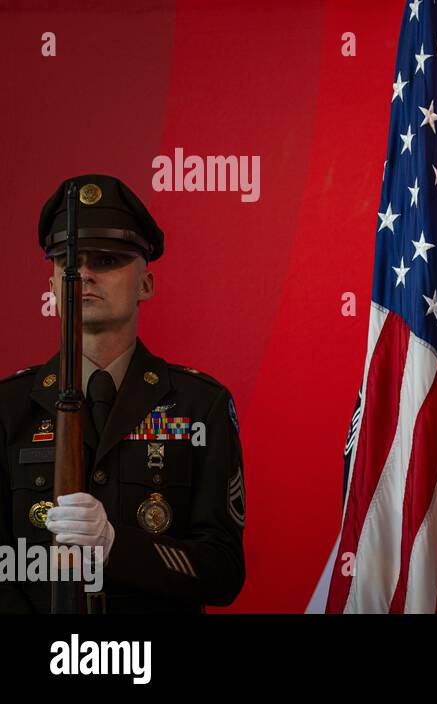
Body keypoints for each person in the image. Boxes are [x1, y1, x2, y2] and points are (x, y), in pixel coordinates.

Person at [0, 174, 245, 613]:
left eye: (108, 260)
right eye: (68, 263)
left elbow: (223, 571)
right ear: (54, 285)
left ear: (146, 285)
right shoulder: (8, 407)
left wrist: (117, 547)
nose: (85, 275)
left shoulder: (198, 406)